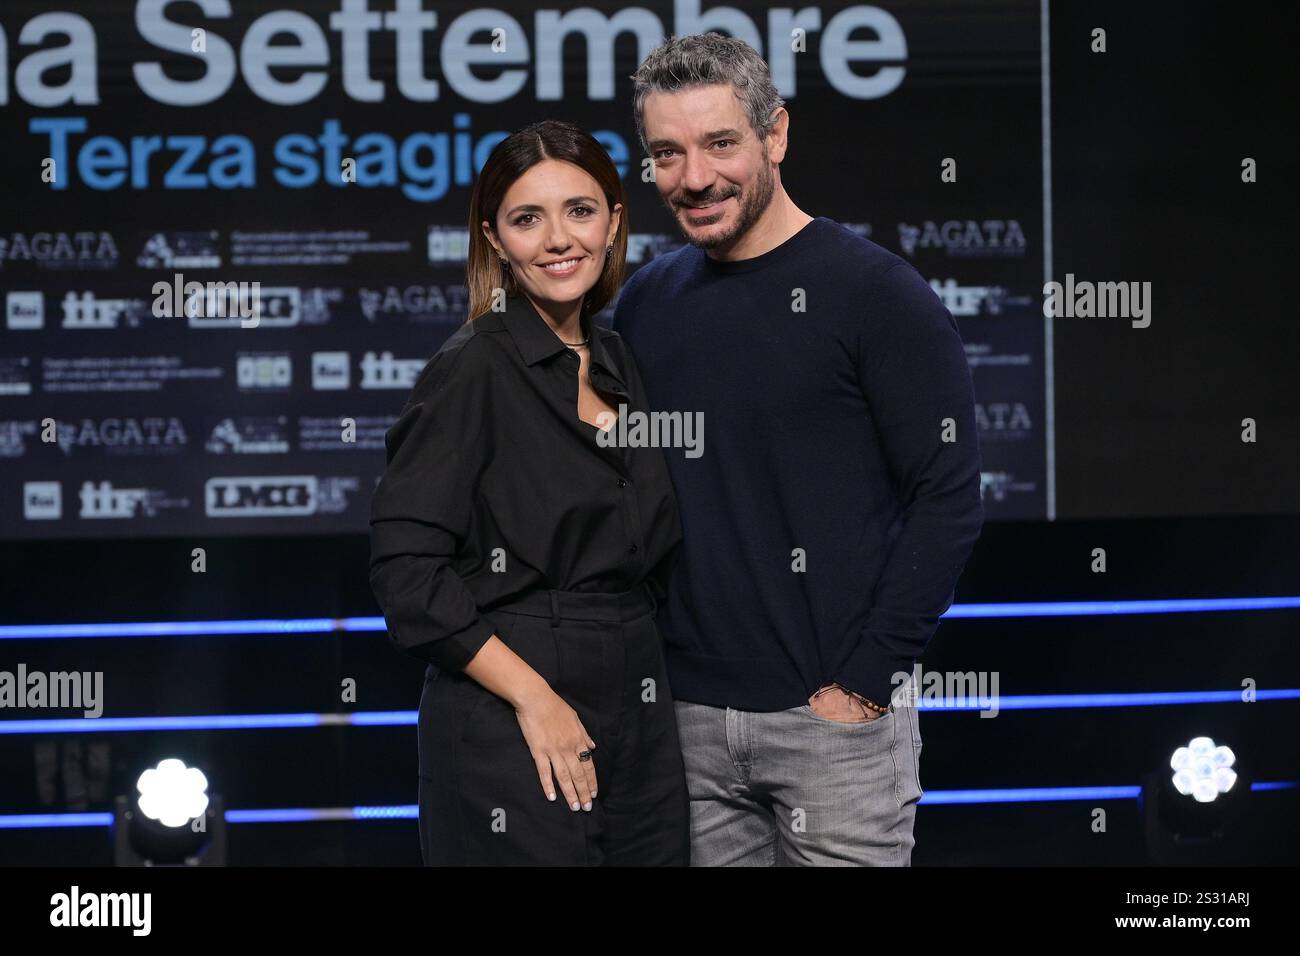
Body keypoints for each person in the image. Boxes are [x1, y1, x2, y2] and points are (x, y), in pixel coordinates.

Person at [613, 33, 985, 865]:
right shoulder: (644, 304)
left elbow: (949, 497)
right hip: (689, 726)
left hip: (836, 731)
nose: (695, 178)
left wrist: (862, 684)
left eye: (720, 143)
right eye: (666, 154)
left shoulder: (879, 296)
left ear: (774, 134)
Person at [369, 120, 689, 866]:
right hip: (511, 718)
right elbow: (406, 573)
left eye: (579, 211)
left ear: (613, 223)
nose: (557, 239)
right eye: (527, 218)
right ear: (496, 239)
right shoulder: (474, 368)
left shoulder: (621, 362)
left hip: (640, 715)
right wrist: (536, 699)